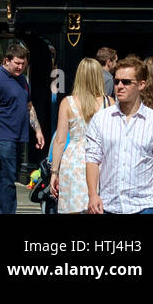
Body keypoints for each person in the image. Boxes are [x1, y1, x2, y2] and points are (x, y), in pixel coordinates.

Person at [85, 55, 153, 215]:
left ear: (142, 85)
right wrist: (92, 194)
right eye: (116, 81)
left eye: (126, 82)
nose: (119, 86)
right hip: (109, 205)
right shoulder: (101, 119)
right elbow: (92, 159)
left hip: (146, 206)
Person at [0, 40, 45, 215]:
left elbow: (29, 105)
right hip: (3, 136)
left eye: (23, 64)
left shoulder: (22, 80)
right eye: (17, 63)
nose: (20, 67)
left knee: (1, 176)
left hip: (18, 136)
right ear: (7, 61)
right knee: (7, 179)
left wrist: (38, 130)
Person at [49, 57, 111, 214]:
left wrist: (54, 172)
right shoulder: (108, 102)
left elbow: (60, 140)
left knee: (74, 208)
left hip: (74, 160)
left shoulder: (68, 103)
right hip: (101, 160)